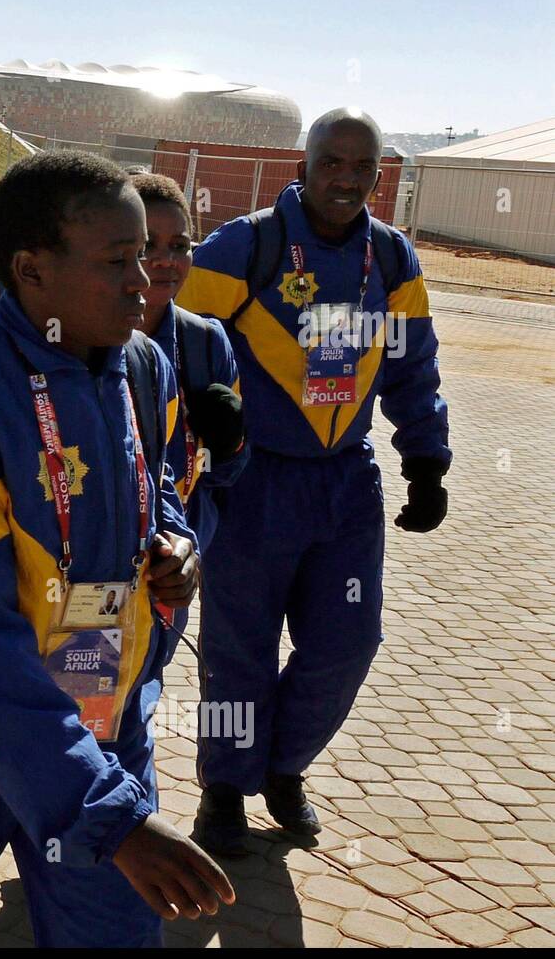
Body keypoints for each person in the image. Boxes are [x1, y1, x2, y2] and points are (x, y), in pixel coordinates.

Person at [0, 151, 233, 948]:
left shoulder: (141, 364)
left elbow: (159, 479)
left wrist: (179, 542)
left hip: (101, 715)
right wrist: (114, 817)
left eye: (154, 258)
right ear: (31, 270)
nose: (146, 282)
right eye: (119, 261)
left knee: (115, 936)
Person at [177, 108, 451, 855]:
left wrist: (425, 462)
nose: (346, 178)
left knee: (348, 642)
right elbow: (174, 346)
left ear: (378, 177)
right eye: (332, 161)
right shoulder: (246, 246)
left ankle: (283, 766)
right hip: (250, 483)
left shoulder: (393, 261)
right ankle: (224, 790)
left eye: (362, 167)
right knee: (239, 647)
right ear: (303, 165)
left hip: (344, 484)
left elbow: (413, 366)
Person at [131, 173, 248, 553]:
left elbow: (224, 473)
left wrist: (227, 445)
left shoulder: (206, 342)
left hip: (174, 558)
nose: (165, 260)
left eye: (180, 245)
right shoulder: (79, 338)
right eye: (148, 244)